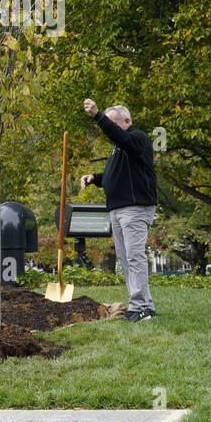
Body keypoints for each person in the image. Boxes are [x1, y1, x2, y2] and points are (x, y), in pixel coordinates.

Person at [79, 98, 158, 322]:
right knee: (126, 260)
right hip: (118, 209)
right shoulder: (119, 148)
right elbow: (115, 178)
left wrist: (98, 116)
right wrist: (95, 178)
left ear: (126, 121)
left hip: (134, 209)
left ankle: (140, 307)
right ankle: (144, 305)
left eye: (113, 124)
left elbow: (120, 137)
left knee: (134, 258)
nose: (110, 129)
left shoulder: (137, 138)